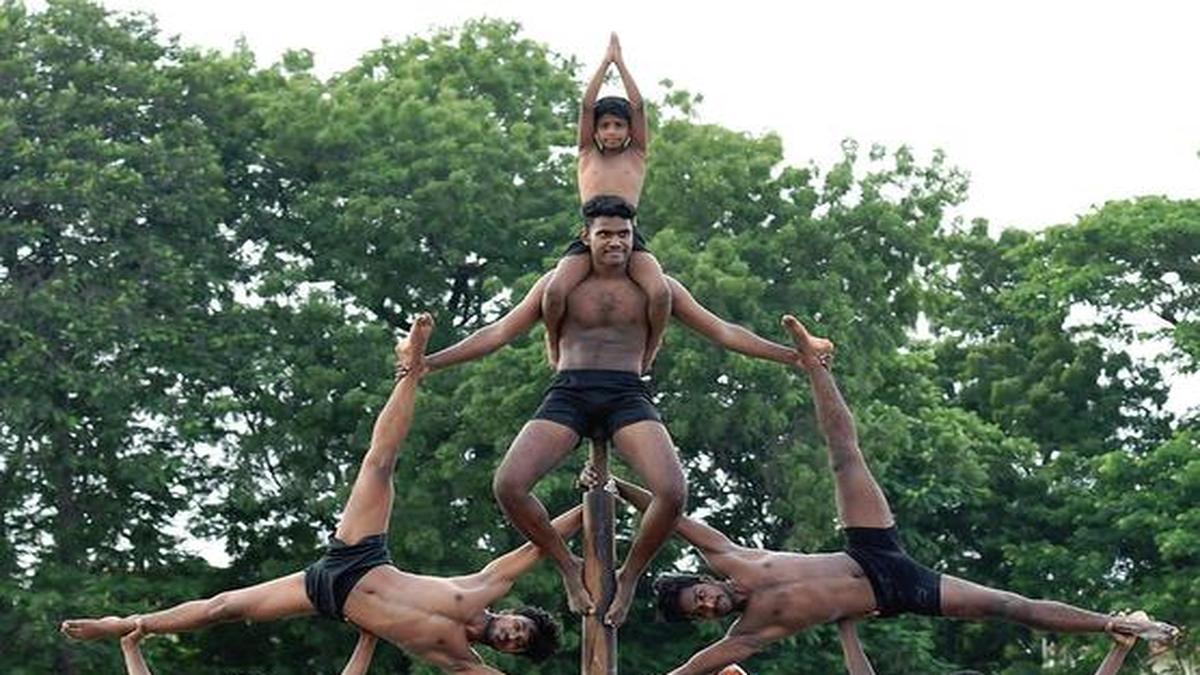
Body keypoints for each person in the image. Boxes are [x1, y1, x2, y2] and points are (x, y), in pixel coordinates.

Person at [607, 315, 1178, 674]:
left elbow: (672, 512)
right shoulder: (751, 632)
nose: (707, 605)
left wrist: (615, 486)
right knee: (1007, 607)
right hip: (897, 590)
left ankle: (814, 363)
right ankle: (1114, 624)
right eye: (700, 613)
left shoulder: (729, 556)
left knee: (845, 455)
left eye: (698, 597)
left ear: (702, 581)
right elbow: (693, 670)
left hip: (868, 551)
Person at [62, 315, 571, 674]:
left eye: (516, 645)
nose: (511, 636)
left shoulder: (460, 662)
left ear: (507, 654)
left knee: (225, 609)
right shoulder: (483, 587)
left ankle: (132, 626)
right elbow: (536, 543)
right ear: (515, 614)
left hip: (327, 593)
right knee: (379, 464)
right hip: (362, 556)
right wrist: (594, 508)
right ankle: (410, 370)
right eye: (519, 628)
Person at [424, 204, 832, 627]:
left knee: (672, 491)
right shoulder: (558, 284)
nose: (616, 241)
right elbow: (498, 332)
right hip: (570, 391)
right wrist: (429, 362)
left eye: (624, 234)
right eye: (606, 234)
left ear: (634, 238)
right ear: (587, 237)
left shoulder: (661, 288)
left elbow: (722, 330)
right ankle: (567, 566)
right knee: (509, 484)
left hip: (625, 393)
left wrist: (793, 356)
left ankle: (630, 574)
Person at [542, 32, 671, 374]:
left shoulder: (637, 153)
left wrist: (622, 63)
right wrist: (604, 62)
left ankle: (651, 347)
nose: (612, 131)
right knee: (554, 291)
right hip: (593, 234)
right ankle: (553, 343)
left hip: (626, 234)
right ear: (596, 131)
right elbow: (586, 106)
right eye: (605, 126)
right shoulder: (586, 153)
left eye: (618, 125)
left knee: (660, 292)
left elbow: (640, 107)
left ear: (629, 130)